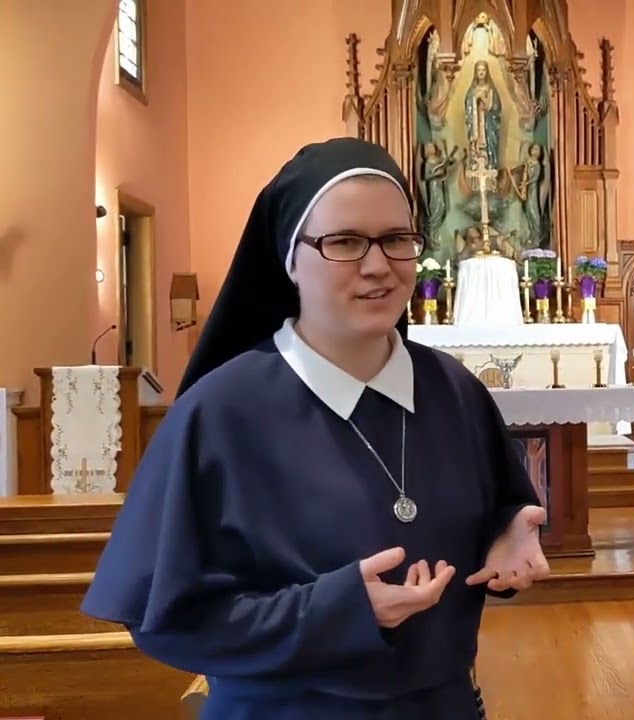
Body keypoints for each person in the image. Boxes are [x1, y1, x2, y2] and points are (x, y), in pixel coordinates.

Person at [81, 137, 550, 719]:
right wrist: (341, 610)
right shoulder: (219, 414)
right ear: (290, 259)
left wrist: (510, 536)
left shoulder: (457, 391)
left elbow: (504, 513)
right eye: (345, 242)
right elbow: (166, 622)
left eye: (397, 239)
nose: (378, 265)